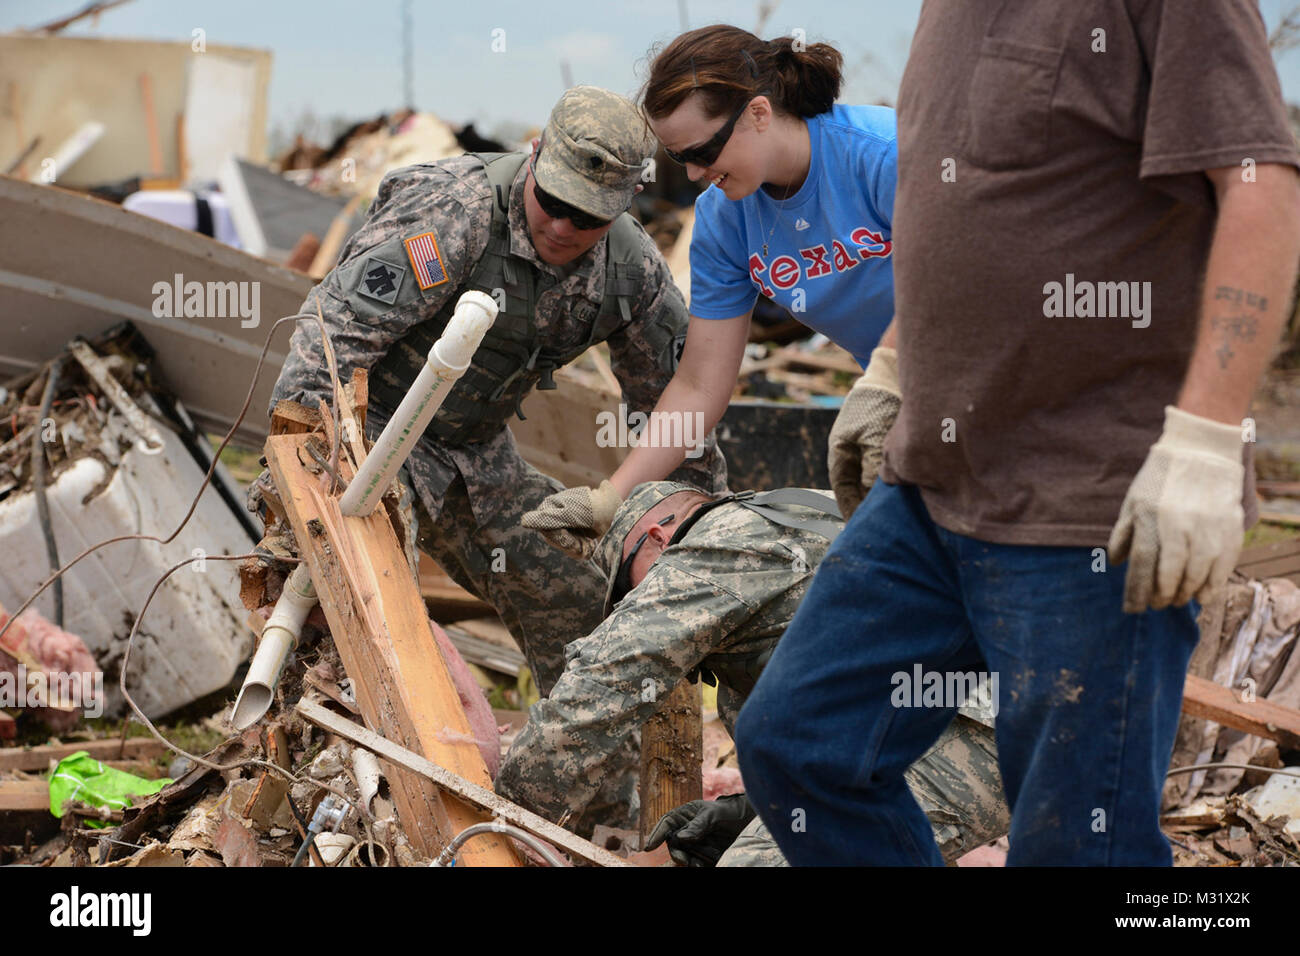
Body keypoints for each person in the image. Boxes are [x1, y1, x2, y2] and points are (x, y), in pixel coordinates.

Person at [735, 0, 1300, 866]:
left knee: (1075, 844)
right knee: (799, 747)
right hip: (933, 484)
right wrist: (892, 368)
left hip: (1089, 502)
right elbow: (953, 216)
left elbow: (1261, 189)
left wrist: (1205, 440)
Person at [259, 85, 727, 705]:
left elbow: (676, 406)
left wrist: (705, 545)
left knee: (583, 594)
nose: (562, 227)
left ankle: (566, 792)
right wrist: (298, 482)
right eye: (554, 202)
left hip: (475, 457)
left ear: (621, 205)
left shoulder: (628, 270)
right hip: (369, 436)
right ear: (534, 159)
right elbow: (332, 339)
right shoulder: (455, 214)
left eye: (586, 217)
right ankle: (337, 762)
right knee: (360, 585)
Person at [522, 25, 900, 552]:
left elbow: (961, 279)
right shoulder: (725, 221)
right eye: (680, 158)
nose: (697, 173)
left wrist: (888, 377)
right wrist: (613, 496)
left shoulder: (886, 155)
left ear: (759, 113)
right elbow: (699, 386)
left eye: (703, 151)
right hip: (906, 398)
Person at [495, 481, 1009, 859]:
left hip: (974, 723)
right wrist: (746, 812)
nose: (640, 601)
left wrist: (504, 820)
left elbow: (599, 688)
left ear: (657, 535)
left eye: (633, 589)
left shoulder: (715, 542)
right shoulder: (790, 519)